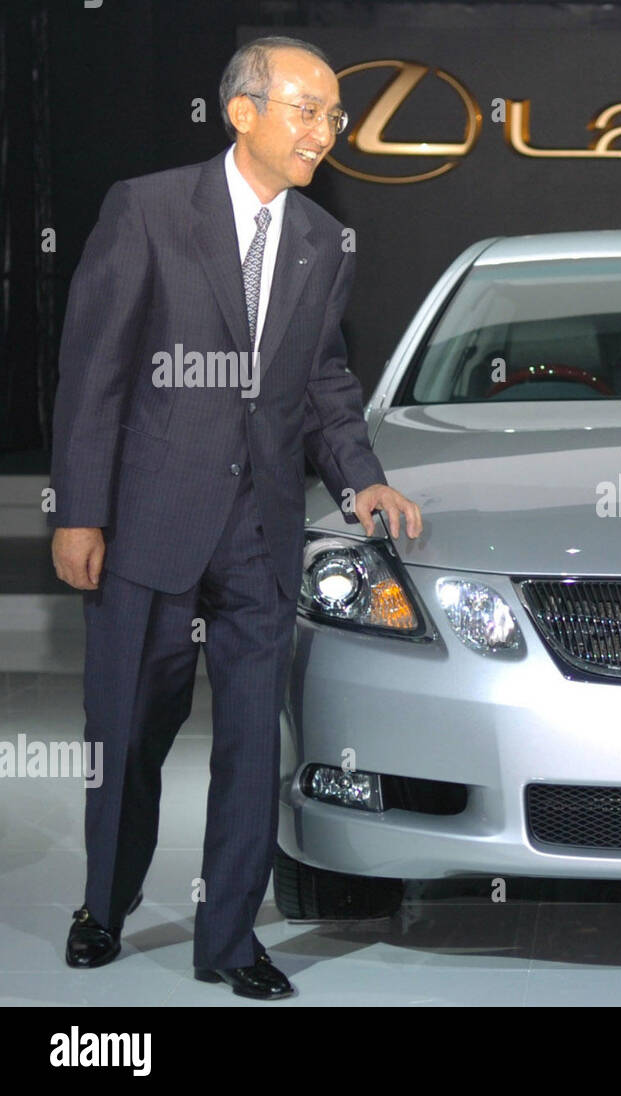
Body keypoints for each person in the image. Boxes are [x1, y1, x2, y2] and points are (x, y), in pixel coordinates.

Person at [48, 36, 421, 1000]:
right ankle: (103, 904)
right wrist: (80, 510)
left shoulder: (321, 242)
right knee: (127, 736)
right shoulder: (148, 209)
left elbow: (326, 384)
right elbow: (94, 374)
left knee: (254, 749)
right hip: (149, 527)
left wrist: (360, 479)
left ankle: (229, 943)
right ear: (243, 111)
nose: (324, 132)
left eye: (334, 116)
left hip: (261, 535)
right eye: (307, 110)